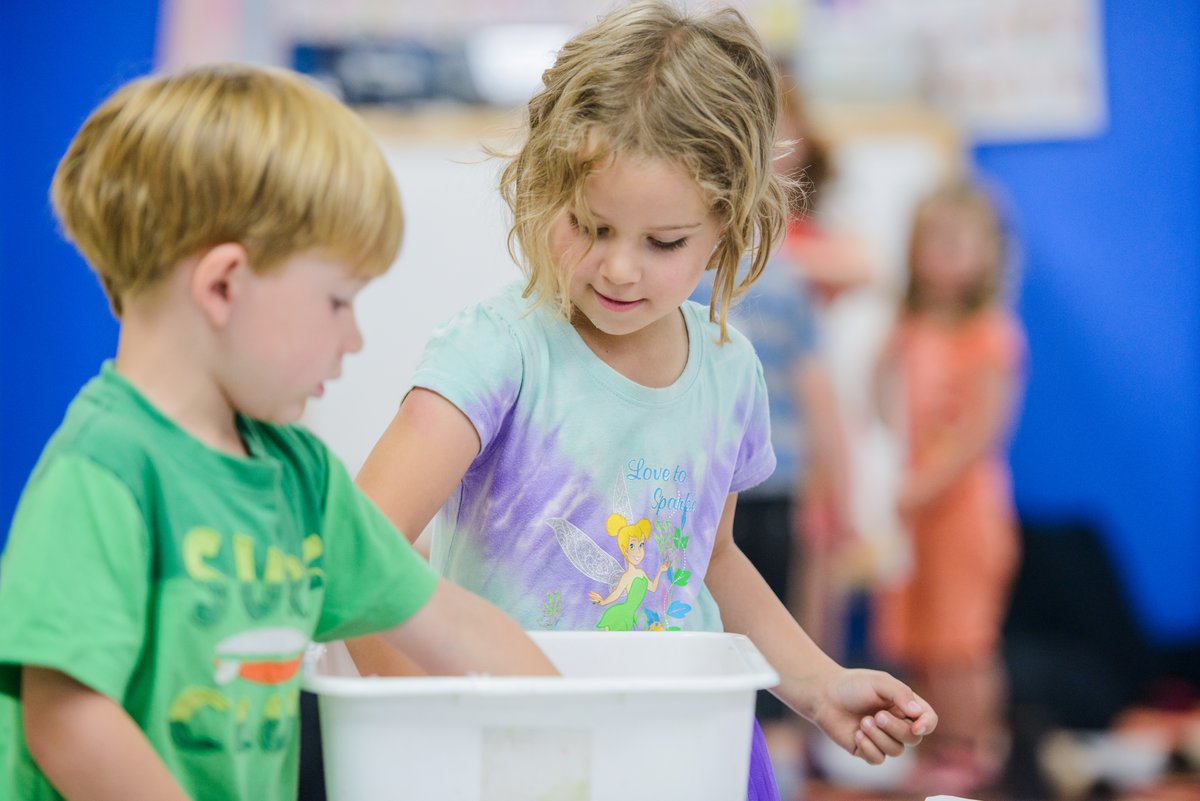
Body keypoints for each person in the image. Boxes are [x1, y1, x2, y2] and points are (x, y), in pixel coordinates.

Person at [346, 4, 936, 800]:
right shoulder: (498, 352)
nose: (620, 269)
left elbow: (713, 560)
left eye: (664, 243)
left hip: (680, 743)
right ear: (543, 189)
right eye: (590, 226)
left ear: (725, 227)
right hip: (522, 760)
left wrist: (816, 683)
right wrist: (418, 718)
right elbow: (363, 545)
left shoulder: (730, 367)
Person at [0, 63, 558, 801]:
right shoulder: (104, 471)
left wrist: (587, 723)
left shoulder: (301, 478)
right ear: (224, 284)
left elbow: (449, 624)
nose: (354, 338)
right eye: (337, 300)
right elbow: (68, 721)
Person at [872, 179, 1026, 795]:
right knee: (920, 634)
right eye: (931, 239)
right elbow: (883, 400)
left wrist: (923, 483)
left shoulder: (989, 334)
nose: (943, 252)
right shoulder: (907, 328)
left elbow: (980, 434)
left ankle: (972, 745)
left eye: (958, 241)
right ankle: (932, 744)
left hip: (964, 514)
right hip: (913, 512)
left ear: (988, 253)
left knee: (963, 640)